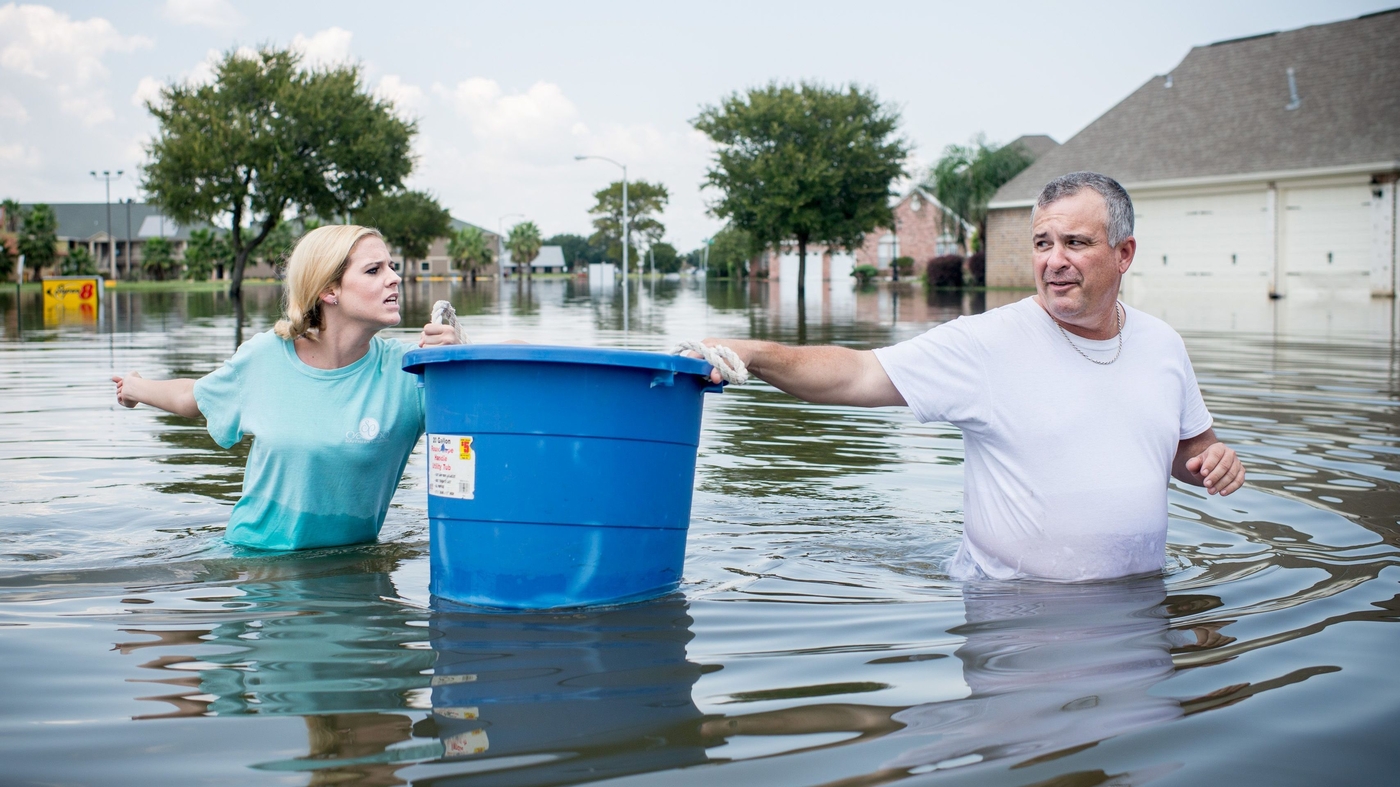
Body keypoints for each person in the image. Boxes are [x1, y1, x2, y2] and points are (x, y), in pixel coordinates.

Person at [699, 172, 1245, 581]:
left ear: (1123, 253)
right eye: (1042, 243)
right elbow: (858, 374)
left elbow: (1190, 452)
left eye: (1075, 243)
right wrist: (756, 353)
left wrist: (1212, 465)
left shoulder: (1162, 345)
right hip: (1011, 615)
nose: (1054, 260)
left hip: (1139, 609)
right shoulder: (987, 343)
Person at [113, 225, 461, 551]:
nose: (395, 278)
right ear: (329, 290)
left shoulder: (412, 371)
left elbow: (505, 388)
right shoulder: (266, 356)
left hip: (353, 581)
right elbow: (193, 399)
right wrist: (134, 387)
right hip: (254, 563)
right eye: (374, 270)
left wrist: (462, 355)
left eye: (392, 266)